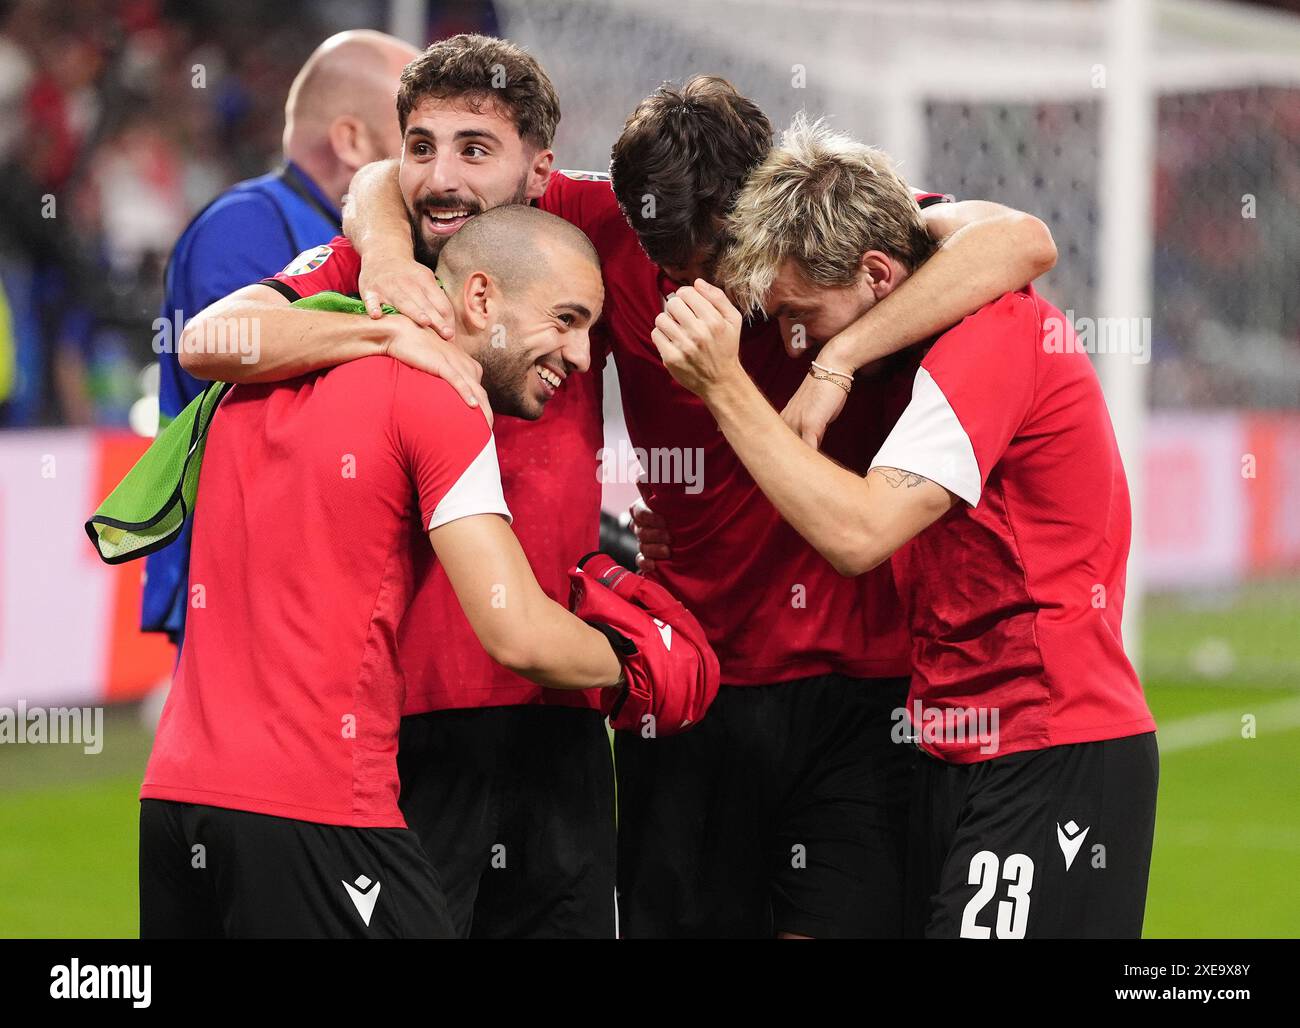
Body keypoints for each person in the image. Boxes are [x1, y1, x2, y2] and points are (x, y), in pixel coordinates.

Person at [200, 36, 1056, 937]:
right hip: (687, 676)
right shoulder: (592, 231)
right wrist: (383, 267)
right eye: (669, 263)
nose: (697, 283)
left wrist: (839, 358)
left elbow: (1019, 240)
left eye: (723, 257)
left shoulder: (826, 236)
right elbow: (392, 187)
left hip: (856, 681)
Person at [651, 114, 1158, 939]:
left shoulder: (991, 338)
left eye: (801, 315)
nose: (792, 340)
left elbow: (859, 534)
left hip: (1046, 744)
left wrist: (725, 383)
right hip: (949, 747)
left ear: (879, 275)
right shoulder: (915, 333)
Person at [138, 205, 623, 939]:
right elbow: (518, 633)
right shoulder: (443, 399)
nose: (582, 355)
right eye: (565, 319)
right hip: (317, 808)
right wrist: (640, 657)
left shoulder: (254, 379)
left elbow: (207, 339)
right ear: (481, 299)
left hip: (174, 802)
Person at [142, 29, 484, 646]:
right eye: (416, 136)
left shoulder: (374, 238)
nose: (435, 166)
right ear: (353, 139)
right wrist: (383, 335)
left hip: (315, 578)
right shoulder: (246, 222)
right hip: (242, 584)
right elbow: (225, 375)